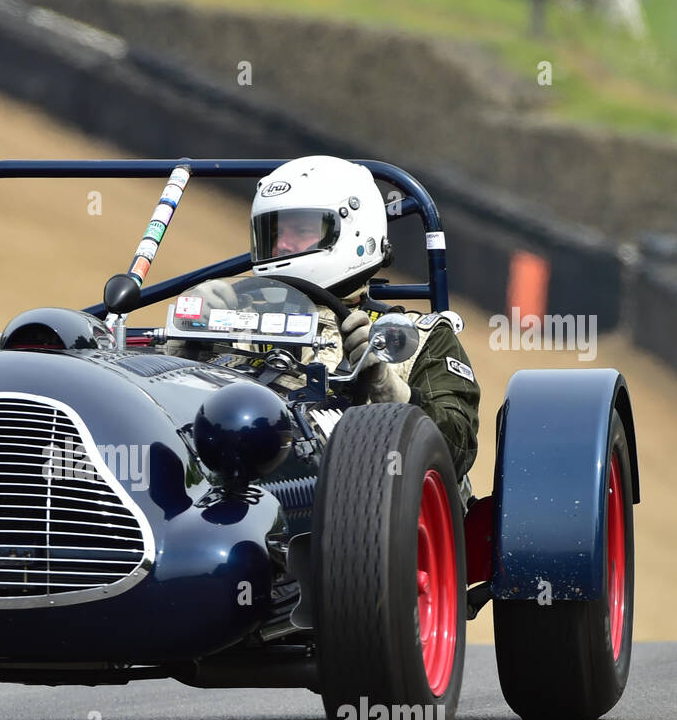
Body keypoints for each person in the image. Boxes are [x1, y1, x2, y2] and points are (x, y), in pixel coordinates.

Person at [169, 155, 481, 480]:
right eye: (275, 232)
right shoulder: (230, 319)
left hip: (358, 510)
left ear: (355, 232)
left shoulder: (416, 339)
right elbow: (173, 421)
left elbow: (456, 450)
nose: (282, 244)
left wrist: (387, 388)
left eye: (302, 230)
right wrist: (188, 338)